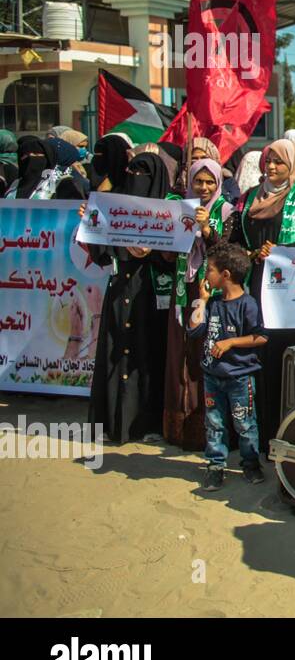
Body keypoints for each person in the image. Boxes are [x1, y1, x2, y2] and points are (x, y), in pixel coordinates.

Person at [230, 137, 295, 448]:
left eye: (279, 162)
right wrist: (252, 254)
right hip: (260, 289)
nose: (271, 167)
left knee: (293, 364)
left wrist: (284, 250)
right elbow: (235, 240)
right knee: (265, 362)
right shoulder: (250, 198)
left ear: (293, 165)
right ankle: (265, 438)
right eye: (268, 161)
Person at [85, 152, 175, 443]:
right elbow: (100, 254)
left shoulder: (170, 207)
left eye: (144, 174)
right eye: (133, 172)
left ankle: (147, 424)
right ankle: (115, 423)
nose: (137, 179)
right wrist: (91, 226)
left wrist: (154, 250)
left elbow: (179, 255)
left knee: (149, 354)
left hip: (153, 295)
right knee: (117, 351)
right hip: (121, 290)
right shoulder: (116, 205)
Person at [162, 158, 234, 451]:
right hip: (184, 290)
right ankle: (180, 429)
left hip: (211, 294)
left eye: (210, 182)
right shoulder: (178, 209)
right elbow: (167, 253)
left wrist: (205, 229)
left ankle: (210, 432)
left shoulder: (227, 211)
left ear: (218, 184)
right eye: (198, 182)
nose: (203, 188)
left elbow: (227, 251)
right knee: (181, 355)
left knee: (207, 355)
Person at [188, 244, 268, 491]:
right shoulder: (211, 303)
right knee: (214, 423)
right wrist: (200, 300)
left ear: (226, 274)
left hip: (240, 378)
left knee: (245, 423)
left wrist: (231, 342)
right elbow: (193, 329)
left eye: (210, 269)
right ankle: (215, 466)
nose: (206, 275)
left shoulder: (248, 304)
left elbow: (261, 337)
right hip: (213, 376)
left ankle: (251, 463)